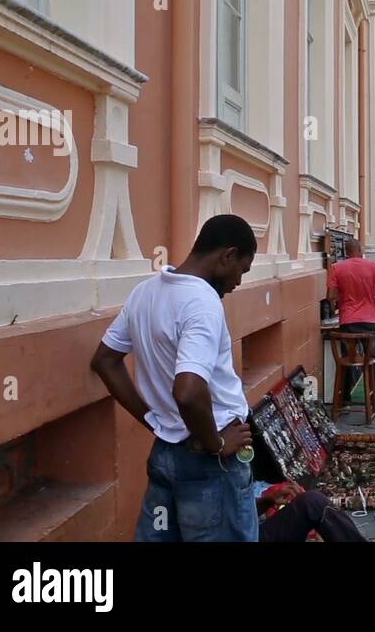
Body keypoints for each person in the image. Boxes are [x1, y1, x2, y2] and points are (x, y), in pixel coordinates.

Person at [91, 214, 259, 542]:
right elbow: (188, 391)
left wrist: (154, 420)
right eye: (242, 269)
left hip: (166, 454)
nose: (238, 282)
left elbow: (105, 360)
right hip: (210, 465)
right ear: (227, 256)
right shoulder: (203, 305)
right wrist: (217, 443)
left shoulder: (144, 292)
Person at [327, 239, 375, 413]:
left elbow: (331, 295)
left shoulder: (337, 267)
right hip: (369, 320)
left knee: (348, 359)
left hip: (348, 321)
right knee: (372, 360)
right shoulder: (371, 266)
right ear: (361, 250)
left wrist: (344, 295)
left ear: (346, 251)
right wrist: (370, 292)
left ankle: (345, 400)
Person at [256, 482, 367, 543]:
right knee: (312, 502)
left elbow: (244, 512)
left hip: (251, 530)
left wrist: (268, 501)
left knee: (311, 502)